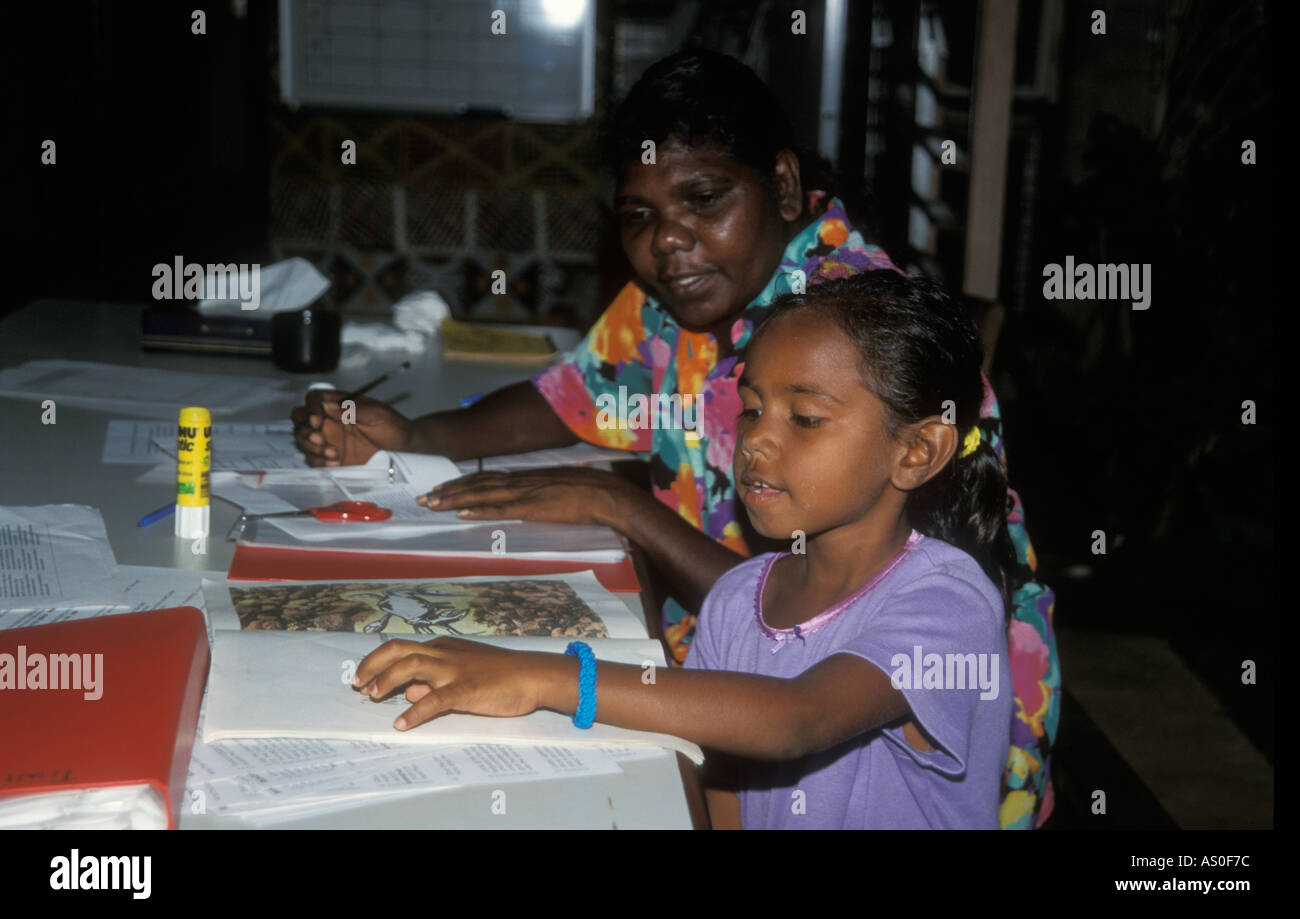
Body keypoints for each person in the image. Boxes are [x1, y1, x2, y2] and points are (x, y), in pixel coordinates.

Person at [291, 49, 1057, 828]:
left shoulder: (859, 339)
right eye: (639, 216)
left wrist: (619, 521)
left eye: (704, 198)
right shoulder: (686, 297)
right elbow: (580, 392)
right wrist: (417, 433)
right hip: (749, 681)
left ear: (783, 186)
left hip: (913, 731)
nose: (669, 242)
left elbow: (808, 692)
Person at [351, 273, 1013, 829]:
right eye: (752, 409)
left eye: (804, 418)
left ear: (916, 450)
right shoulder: (738, 598)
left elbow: (797, 718)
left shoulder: (949, 604)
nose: (756, 442)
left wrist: (544, 677)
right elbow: (717, 785)